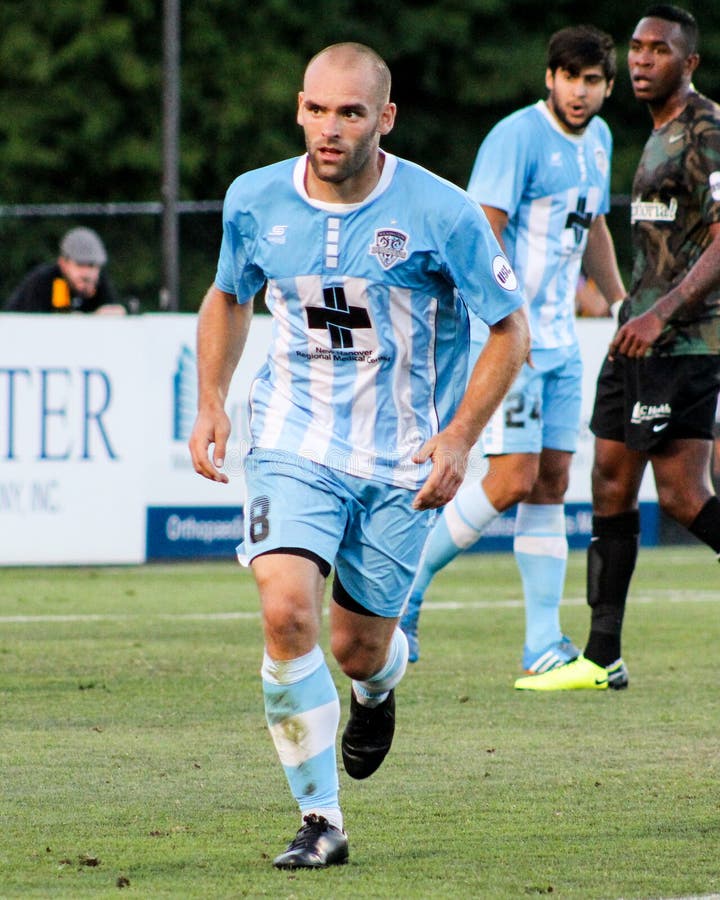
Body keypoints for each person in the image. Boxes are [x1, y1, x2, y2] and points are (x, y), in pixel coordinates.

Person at [188, 42, 528, 869]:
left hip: (399, 458)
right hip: (291, 439)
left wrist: (459, 438)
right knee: (286, 611)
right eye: (316, 109)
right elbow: (229, 296)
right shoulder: (254, 198)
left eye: (350, 113)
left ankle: (377, 691)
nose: (330, 129)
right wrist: (210, 400)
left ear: (386, 117)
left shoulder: (442, 212)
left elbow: (510, 330)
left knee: (357, 647)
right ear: (298, 107)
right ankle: (321, 820)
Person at [400, 26, 627, 674]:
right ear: (548, 78)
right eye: (568, 77)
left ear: (607, 88)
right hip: (510, 339)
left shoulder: (601, 142)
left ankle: (540, 645)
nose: (578, 92)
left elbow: (595, 229)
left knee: (552, 482)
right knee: (510, 479)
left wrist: (616, 305)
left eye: (591, 81)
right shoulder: (516, 137)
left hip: (562, 343)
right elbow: (482, 235)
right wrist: (510, 324)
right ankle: (405, 590)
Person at [516, 5, 720, 691]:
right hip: (638, 334)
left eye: (657, 50)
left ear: (687, 64)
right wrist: (627, 307)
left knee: (686, 498)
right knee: (607, 479)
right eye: (635, 48)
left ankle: (602, 655)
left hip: (683, 338)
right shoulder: (647, 133)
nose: (641, 60)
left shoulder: (706, 129)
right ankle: (603, 658)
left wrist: (660, 314)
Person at [4, 226, 125, 314]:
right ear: (63, 264)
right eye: (80, 264)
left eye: (92, 265)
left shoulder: (99, 284)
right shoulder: (46, 281)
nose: (87, 273)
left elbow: (114, 310)